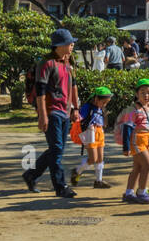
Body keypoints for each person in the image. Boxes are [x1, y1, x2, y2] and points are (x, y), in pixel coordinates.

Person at [22, 29, 79, 198]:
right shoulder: (46, 64)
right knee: (56, 149)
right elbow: (40, 92)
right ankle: (60, 187)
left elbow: (74, 86)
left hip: (65, 111)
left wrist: (76, 108)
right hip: (51, 110)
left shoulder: (68, 63)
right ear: (59, 46)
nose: (72, 45)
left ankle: (31, 175)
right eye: (70, 43)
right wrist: (42, 115)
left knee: (57, 150)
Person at [120, 78, 149, 204]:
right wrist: (126, 147)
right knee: (148, 165)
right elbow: (127, 128)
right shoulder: (133, 109)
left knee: (137, 167)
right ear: (137, 94)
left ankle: (128, 193)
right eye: (142, 92)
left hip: (146, 140)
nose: (146, 95)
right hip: (137, 141)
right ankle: (142, 192)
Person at [69, 86, 112, 189]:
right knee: (93, 159)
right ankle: (77, 171)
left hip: (99, 132)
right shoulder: (87, 107)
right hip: (90, 133)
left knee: (100, 158)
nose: (105, 105)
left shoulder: (100, 108)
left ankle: (98, 181)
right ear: (96, 99)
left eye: (106, 103)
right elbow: (79, 118)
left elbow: (103, 122)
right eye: (104, 102)